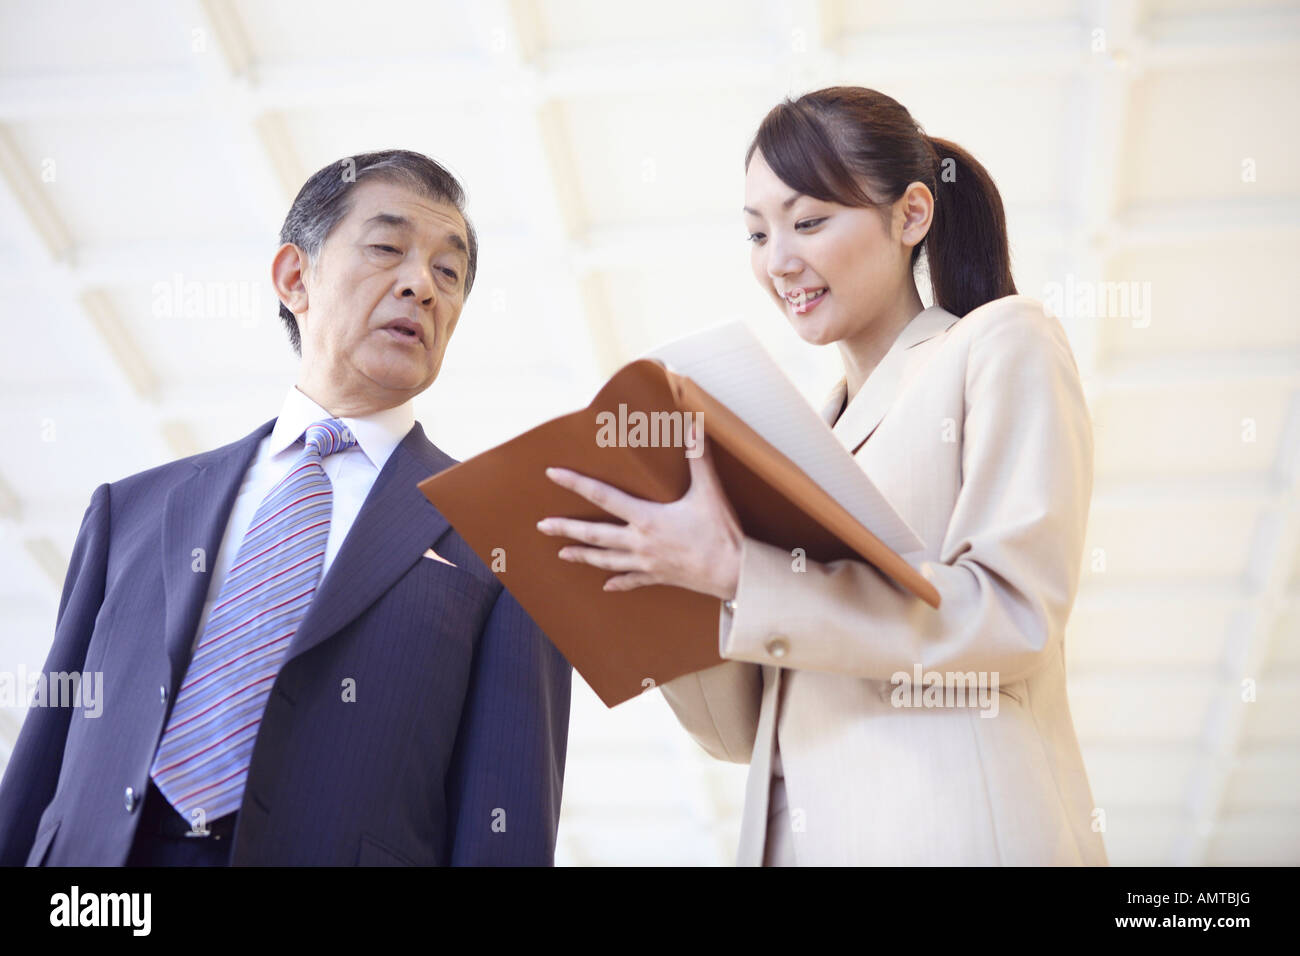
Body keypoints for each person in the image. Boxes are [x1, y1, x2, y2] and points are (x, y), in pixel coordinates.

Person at [537, 87, 1107, 865]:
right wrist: (664, 589)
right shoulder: (784, 445)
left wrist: (744, 572)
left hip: (954, 835)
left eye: (808, 222)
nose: (779, 261)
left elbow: (1014, 618)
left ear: (910, 215)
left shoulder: (1000, 343)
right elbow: (736, 734)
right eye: (757, 233)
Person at [0, 149, 572, 866]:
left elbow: (506, 830)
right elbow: (40, 765)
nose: (421, 286)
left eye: (448, 273)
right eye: (388, 248)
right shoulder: (131, 512)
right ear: (295, 278)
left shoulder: (506, 543)